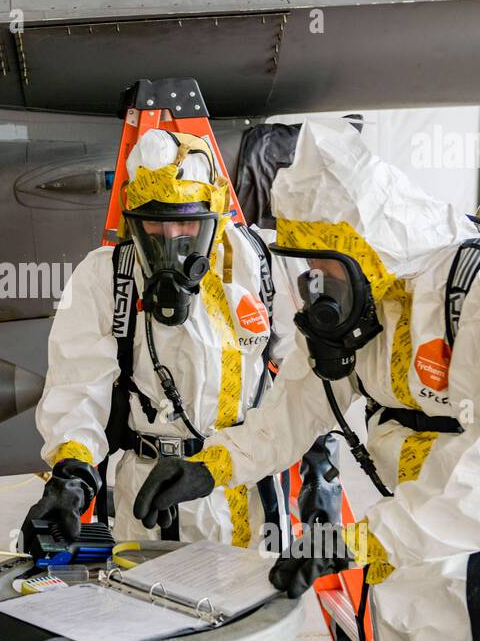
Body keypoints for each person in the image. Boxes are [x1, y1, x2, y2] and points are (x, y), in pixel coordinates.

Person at [132, 118, 480, 641]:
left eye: (324, 267)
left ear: (367, 247)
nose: (314, 286)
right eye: (306, 267)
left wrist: (357, 542)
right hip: (414, 564)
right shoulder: (364, 306)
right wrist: (213, 467)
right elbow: (297, 409)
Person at [24, 128, 288, 549]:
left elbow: (304, 382)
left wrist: (319, 479)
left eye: (185, 222)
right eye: (155, 224)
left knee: (253, 610)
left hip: (247, 489)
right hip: (149, 495)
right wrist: (72, 474)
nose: (171, 240)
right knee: (153, 606)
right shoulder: (106, 276)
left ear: (212, 213)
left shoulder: (259, 265)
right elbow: (77, 383)